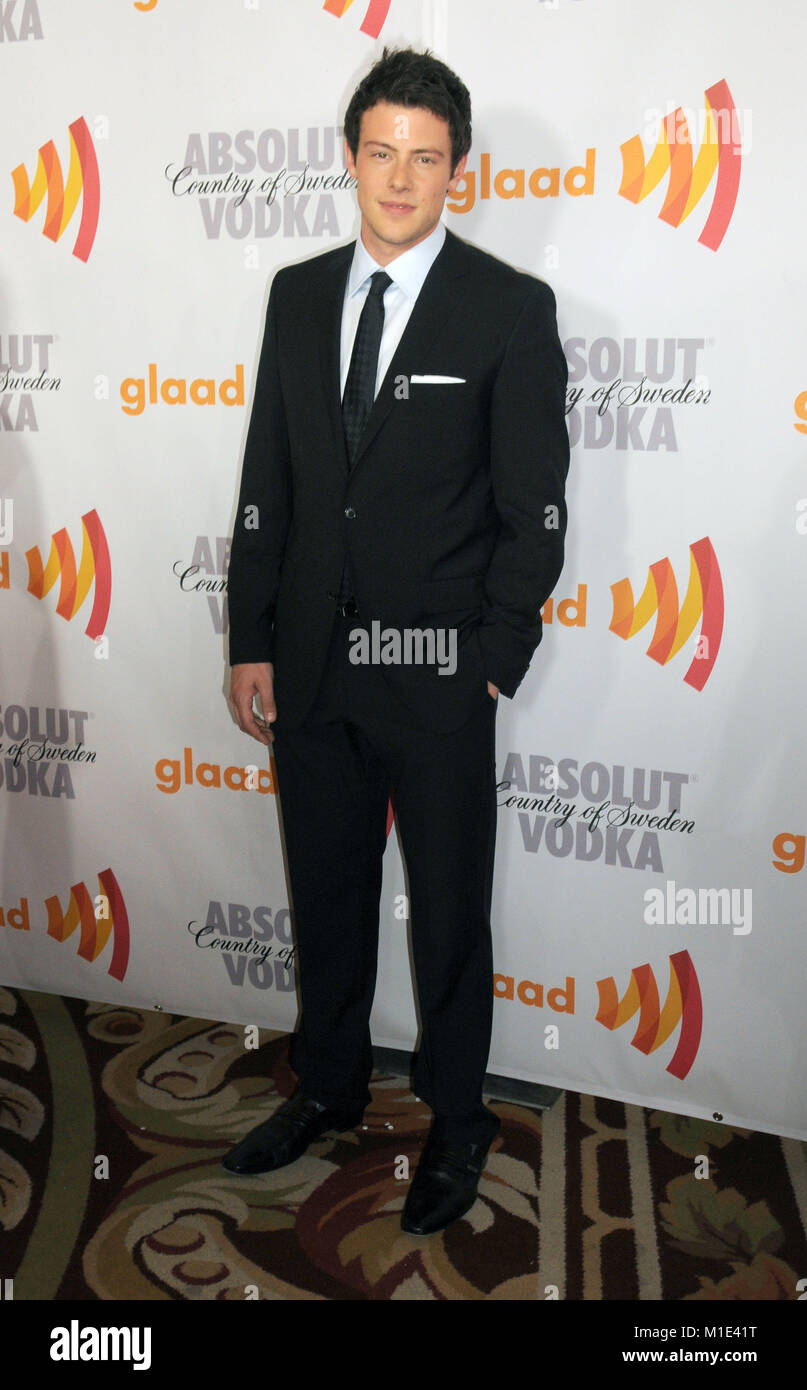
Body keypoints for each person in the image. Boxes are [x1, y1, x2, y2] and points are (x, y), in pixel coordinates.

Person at [222, 45, 569, 1235]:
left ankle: (458, 1121)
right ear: (353, 157)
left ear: (456, 172)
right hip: (311, 669)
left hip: (435, 683)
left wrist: (491, 659)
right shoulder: (297, 292)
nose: (401, 177)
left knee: (452, 916)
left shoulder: (510, 309)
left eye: (427, 158)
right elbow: (270, 475)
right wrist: (249, 636)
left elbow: (536, 513)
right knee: (325, 894)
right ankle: (324, 1085)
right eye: (382, 152)